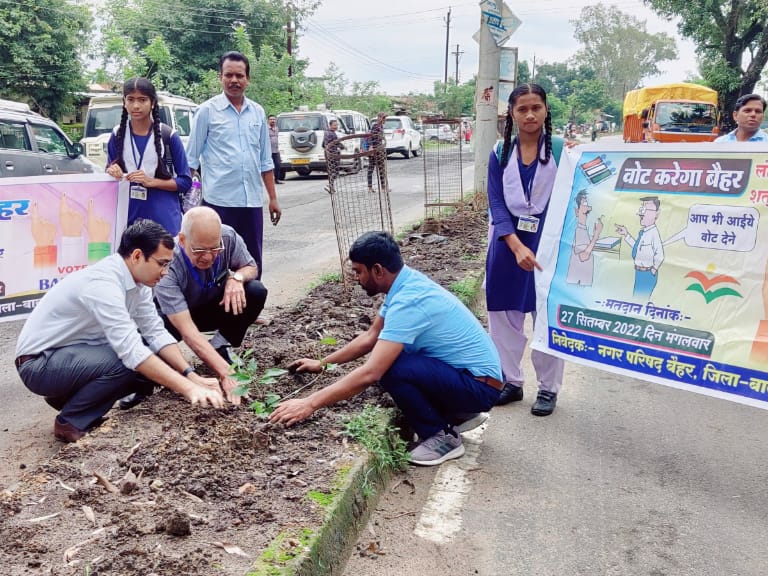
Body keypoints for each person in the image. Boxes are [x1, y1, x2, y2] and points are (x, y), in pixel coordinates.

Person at [269, 231, 502, 467]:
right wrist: (322, 363)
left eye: (359, 271)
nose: (357, 279)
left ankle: (441, 436)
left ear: (378, 270)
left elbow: (372, 372)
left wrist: (309, 403)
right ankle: (457, 413)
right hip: (474, 379)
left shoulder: (408, 301)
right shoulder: (404, 283)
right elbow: (371, 336)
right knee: (395, 358)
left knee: (392, 368)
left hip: (479, 387)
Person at [14, 220, 226, 443]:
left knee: (144, 358)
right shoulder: (103, 284)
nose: (165, 272)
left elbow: (155, 332)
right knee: (127, 362)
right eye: (161, 264)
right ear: (136, 256)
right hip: (39, 364)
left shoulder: (140, 283)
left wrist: (191, 375)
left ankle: (70, 399)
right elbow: (131, 351)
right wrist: (189, 389)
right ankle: (71, 421)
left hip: (71, 355)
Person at [485, 83, 566, 417]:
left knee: (546, 317)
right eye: (522, 109)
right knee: (503, 316)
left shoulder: (562, 151)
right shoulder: (500, 152)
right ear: (512, 114)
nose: (530, 114)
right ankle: (511, 381)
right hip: (506, 244)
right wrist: (516, 245)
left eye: (536, 107)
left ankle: (548, 389)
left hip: (548, 245)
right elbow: (496, 202)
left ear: (546, 110)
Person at [154, 207, 268, 404]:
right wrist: (226, 373)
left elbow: (250, 267)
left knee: (255, 291)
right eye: (199, 250)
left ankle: (219, 347)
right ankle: (144, 384)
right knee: (149, 356)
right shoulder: (168, 262)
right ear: (182, 240)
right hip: (174, 318)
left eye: (215, 249)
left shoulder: (228, 236)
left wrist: (237, 278)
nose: (208, 257)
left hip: (211, 306)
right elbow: (187, 330)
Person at [186, 51, 282, 278]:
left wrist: (273, 199)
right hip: (219, 203)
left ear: (247, 79)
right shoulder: (206, 111)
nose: (234, 80)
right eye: (229, 75)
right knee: (215, 261)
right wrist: (186, 202)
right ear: (220, 77)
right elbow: (191, 160)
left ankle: (250, 311)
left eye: (239, 75)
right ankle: (219, 311)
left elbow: (265, 161)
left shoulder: (257, 112)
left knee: (252, 261)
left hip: (251, 203)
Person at [105, 78, 192, 236]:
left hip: (164, 219)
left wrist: (152, 182)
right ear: (124, 102)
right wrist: (113, 172)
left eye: (142, 100)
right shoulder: (117, 134)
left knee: (165, 259)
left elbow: (185, 181)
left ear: (152, 103)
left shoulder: (168, 135)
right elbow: (108, 172)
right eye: (130, 99)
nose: (136, 106)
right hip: (129, 218)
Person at [615, 196, 664, 299]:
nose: (641, 213)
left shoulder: (653, 233)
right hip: (639, 273)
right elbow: (637, 248)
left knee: (640, 300)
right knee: (636, 298)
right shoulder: (644, 232)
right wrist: (626, 234)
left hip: (647, 274)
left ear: (656, 213)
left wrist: (653, 270)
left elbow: (660, 255)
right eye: (642, 209)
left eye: (646, 209)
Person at [566, 190, 603, 286]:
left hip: (581, 282)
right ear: (577, 211)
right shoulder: (579, 230)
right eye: (584, 203)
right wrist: (596, 235)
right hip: (578, 283)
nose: (588, 207)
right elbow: (583, 256)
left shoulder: (583, 229)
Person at [367, 112, 388, 194]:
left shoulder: (381, 126)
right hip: (374, 151)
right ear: (379, 118)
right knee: (371, 169)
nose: (384, 120)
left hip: (380, 150)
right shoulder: (375, 126)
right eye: (383, 118)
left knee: (381, 169)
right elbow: (371, 137)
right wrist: (371, 147)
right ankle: (369, 187)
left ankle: (383, 187)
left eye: (385, 118)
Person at [268, 114, 284, 184]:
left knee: (278, 164)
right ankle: (269, 180)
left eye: (274, 119)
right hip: (268, 151)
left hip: (276, 150)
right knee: (268, 166)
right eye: (271, 119)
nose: (272, 121)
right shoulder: (265, 129)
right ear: (268, 121)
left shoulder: (277, 129)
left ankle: (276, 179)